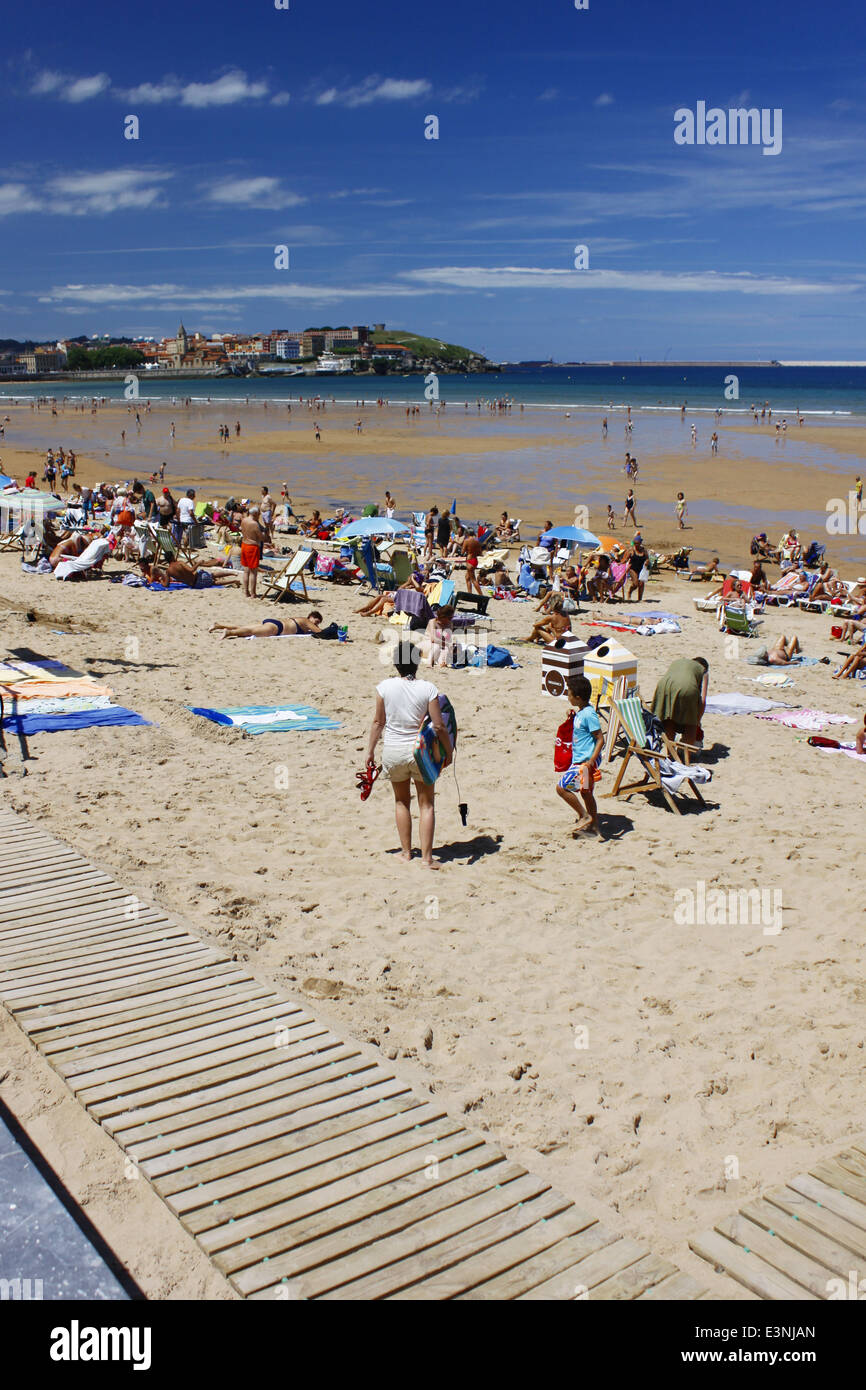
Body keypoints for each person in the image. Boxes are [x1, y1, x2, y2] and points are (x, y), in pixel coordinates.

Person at [366, 640, 453, 869]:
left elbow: (378, 722)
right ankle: (426, 858)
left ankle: (406, 852)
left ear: (396, 663)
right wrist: (448, 751)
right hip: (419, 752)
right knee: (427, 805)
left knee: (401, 802)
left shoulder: (384, 687)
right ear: (417, 663)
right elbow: (438, 726)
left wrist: (370, 751)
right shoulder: (427, 688)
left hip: (393, 752)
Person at [556, 675, 604, 838]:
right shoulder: (582, 712)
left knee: (561, 788)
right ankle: (594, 827)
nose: (567, 697)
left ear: (577, 697)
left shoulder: (589, 715)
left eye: (569, 694)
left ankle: (584, 815)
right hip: (581, 759)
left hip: (585, 762)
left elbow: (600, 739)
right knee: (586, 793)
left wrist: (591, 760)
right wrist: (572, 716)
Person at [651, 656, 709, 750]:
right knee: (691, 725)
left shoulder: (679, 662)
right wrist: (697, 720)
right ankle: (686, 757)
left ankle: (670, 754)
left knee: (669, 719)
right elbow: (703, 700)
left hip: (664, 686)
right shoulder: (703, 670)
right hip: (687, 688)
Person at [211, 611, 324, 639]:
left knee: (243, 627)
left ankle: (219, 625)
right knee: (250, 632)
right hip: (277, 628)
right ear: (311, 617)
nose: (316, 624)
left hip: (274, 622)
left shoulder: (303, 622)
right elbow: (319, 632)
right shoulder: (306, 621)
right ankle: (229, 632)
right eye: (316, 621)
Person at [240, 507, 265, 598]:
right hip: (252, 547)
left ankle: (246, 592)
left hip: (244, 544)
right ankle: (253, 593)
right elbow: (262, 538)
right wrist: (266, 534)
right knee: (253, 572)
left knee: (246, 571)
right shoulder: (254, 524)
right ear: (255, 514)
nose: (259, 515)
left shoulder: (244, 520)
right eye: (258, 514)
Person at [625, 534, 649, 602]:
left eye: (637, 543)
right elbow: (625, 559)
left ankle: (639, 599)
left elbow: (647, 558)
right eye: (635, 543)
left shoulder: (644, 550)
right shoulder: (631, 550)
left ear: (640, 543)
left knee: (641, 583)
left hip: (641, 569)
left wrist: (647, 562)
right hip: (633, 568)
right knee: (635, 584)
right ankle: (629, 592)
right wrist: (619, 563)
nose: (636, 545)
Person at [461, 528, 483, 595]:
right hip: (475, 560)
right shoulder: (477, 542)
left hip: (469, 560)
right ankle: (469, 593)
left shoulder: (466, 541)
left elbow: (462, 551)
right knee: (467, 577)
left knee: (473, 579)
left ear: (467, 533)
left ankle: (481, 594)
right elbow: (480, 553)